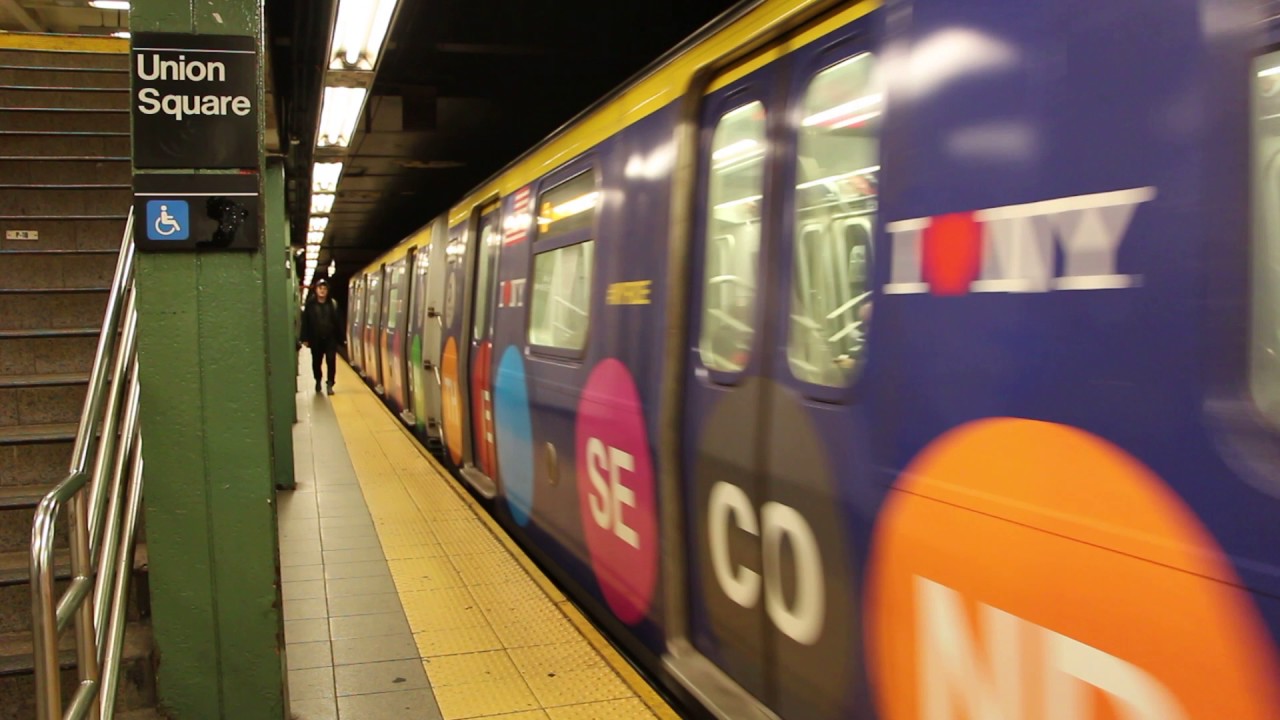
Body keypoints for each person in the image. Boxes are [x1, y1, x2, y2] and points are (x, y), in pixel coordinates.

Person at [301, 278, 341, 395]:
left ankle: (330, 383)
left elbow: (338, 322)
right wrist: (304, 338)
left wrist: (341, 338)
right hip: (316, 339)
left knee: (331, 361)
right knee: (316, 362)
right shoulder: (310, 305)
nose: (322, 291)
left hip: (330, 339)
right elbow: (305, 322)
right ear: (316, 290)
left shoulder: (333, 304)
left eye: (325, 289)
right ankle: (318, 379)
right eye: (320, 288)